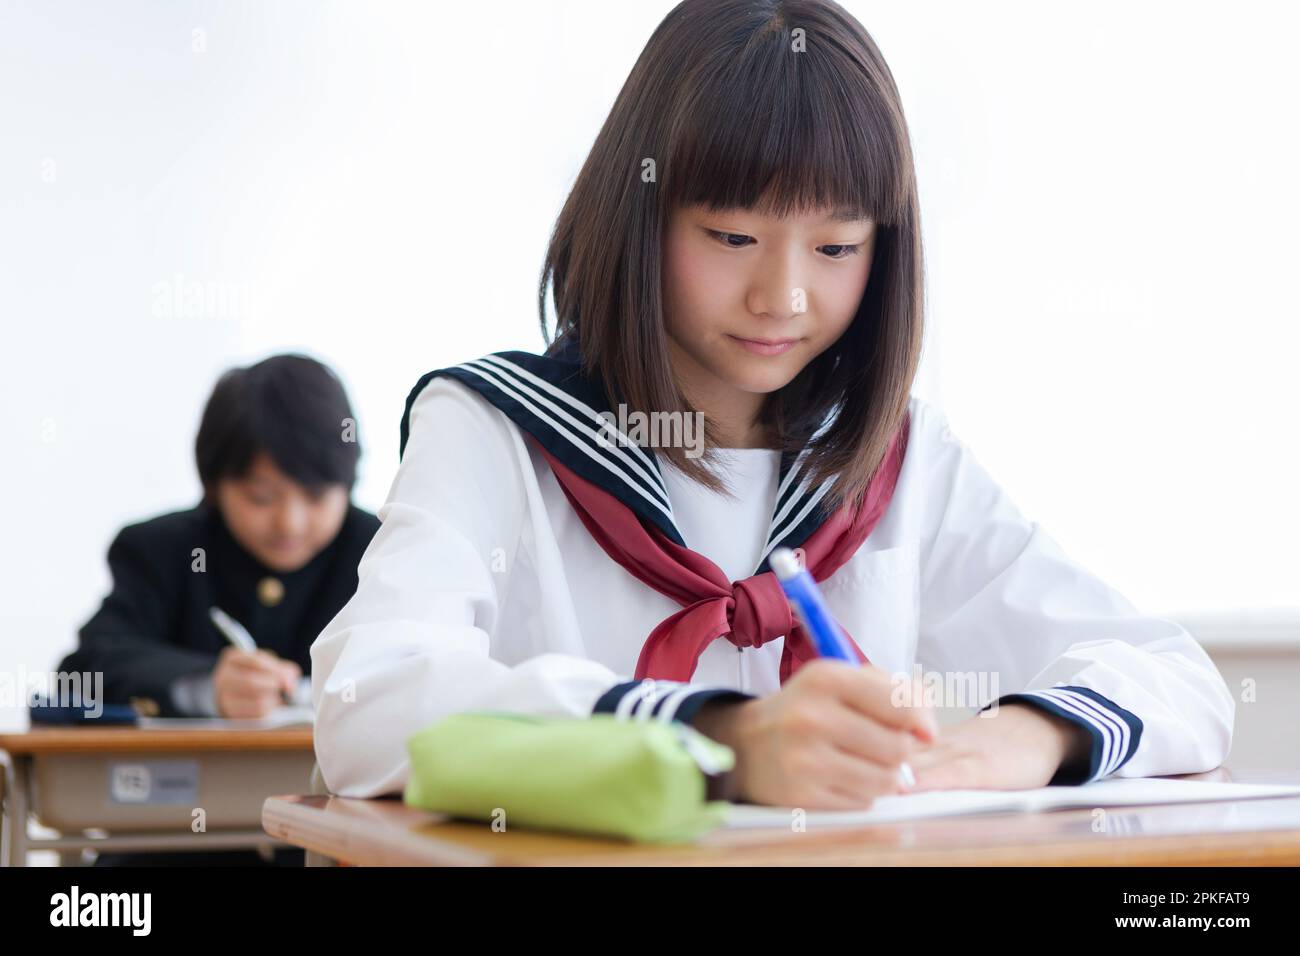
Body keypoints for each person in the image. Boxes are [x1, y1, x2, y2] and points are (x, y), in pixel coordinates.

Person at [310, 0, 1233, 809]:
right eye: (733, 234)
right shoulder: (494, 429)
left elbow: (1176, 678)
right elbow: (369, 704)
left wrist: (1027, 740)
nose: (783, 296)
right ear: (639, 217)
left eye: (836, 247)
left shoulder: (895, 458)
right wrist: (720, 742)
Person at [59, 353, 380, 864]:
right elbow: (86, 668)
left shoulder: (383, 552)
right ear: (215, 484)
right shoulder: (161, 548)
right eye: (260, 496)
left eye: (316, 495)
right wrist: (204, 686)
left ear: (348, 479)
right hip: (169, 852)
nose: (289, 522)